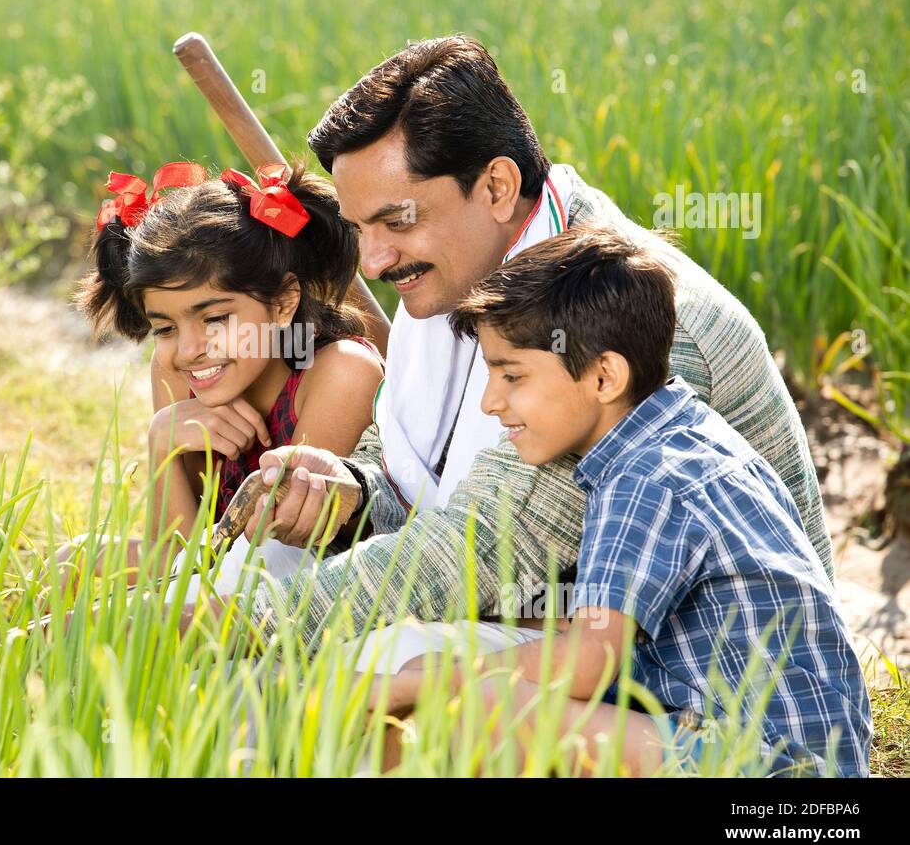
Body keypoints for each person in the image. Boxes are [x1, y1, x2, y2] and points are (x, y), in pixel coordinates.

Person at [215, 36, 832, 665]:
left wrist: (235, 623)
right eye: (359, 229)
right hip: (538, 601)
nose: (373, 261)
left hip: (698, 674)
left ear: (498, 187)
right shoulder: (453, 273)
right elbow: (408, 472)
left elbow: (481, 551)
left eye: (397, 222)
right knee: (264, 555)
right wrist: (351, 492)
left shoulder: (616, 316)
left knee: (385, 659)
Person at [370, 227, 871, 776]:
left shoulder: (646, 479)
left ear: (605, 376)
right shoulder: (683, 437)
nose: (492, 402)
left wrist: (417, 680)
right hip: (761, 749)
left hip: (772, 770)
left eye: (512, 375)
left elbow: (588, 662)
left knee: (485, 703)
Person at [72, 160, 383, 587]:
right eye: (165, 328)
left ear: (282, 303)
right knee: (72, 563)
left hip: (306, 601)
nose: (190, 349)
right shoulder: (176, 369)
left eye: (216, 320)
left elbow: (271, 563)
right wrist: (163, 440)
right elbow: (174, 558)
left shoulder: (340, 373)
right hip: (213, 575)